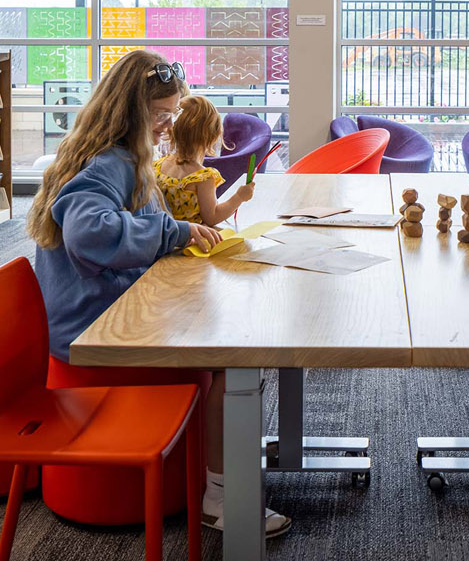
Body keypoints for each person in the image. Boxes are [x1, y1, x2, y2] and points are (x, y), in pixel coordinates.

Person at [28, 49, 291, 538]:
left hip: (107, 307)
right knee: (229, 355)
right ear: (131, 113)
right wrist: (173, 234)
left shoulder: (118, 155)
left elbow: (140, 222)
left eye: (171, 115)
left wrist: (175, 229)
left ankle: (223, 464)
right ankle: (221, 498)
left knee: (224, 321)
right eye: (160, 116)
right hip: (94, 330)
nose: (168, 127)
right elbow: (88, 233)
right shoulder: (110, 162)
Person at [156, 95, 256, 227]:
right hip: (191, 241)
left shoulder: (158, 166)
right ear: (212, 136)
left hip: (166, 236)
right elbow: (212, 217)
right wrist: (239, 197)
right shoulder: (202, 178)